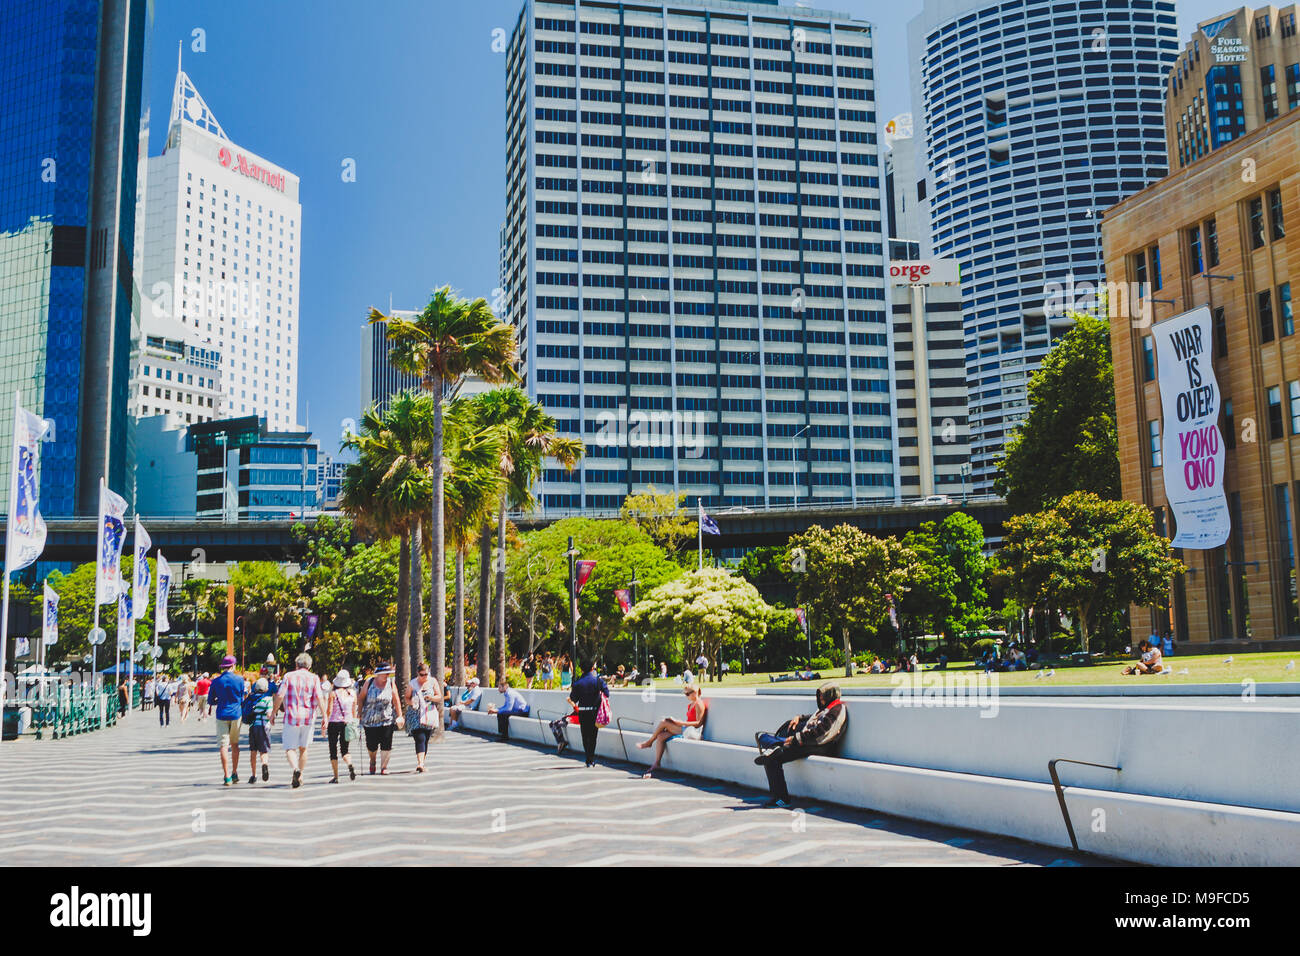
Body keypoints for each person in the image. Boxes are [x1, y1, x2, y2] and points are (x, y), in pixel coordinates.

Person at [754, 682, 849, 809]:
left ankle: (781, 799)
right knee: (770, 752)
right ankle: (775, 746)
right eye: (819, 696)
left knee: (772, 758)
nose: (820, 699)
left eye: (822, 696)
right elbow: (814, 718)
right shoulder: (827, 708)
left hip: (822, 746)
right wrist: (799, 717)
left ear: (831, 695)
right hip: (808, 742)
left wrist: (797, 739)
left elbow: (823, 732)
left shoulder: (837, 709)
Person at [272, 652, 327, 789]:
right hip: (308, 718)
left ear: (297, 664)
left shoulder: (288, 676)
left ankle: (295, 768)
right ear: (309, 665)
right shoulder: (314, 678)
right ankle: (300, 775)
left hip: (291, 717)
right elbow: (320, 698)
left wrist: (274, 712)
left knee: (290, 748)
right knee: (304, 748)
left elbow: (280, 695)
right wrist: (325, 716)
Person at [637, 683, 707, 778]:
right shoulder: (691, 704)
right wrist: (677, 722)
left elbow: (699, 723)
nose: (686, 696)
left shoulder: (699, 704)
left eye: (687, 694)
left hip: (693, 732)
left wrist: (680, 723)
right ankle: (657, 763)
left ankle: (649, 742)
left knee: (664, 722)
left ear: (694, 693)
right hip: (686, 729)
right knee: (661, 736)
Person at [207, 656, 246, 787]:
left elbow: (211, 701)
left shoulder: (216, 681)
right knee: (235, 744)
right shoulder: (240, 680)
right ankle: (235, 772)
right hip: (236, 714)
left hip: (221, 714)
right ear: (233, 666)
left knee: (223, 746)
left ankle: (227, 776)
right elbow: (242, 698)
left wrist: (220, 701)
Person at [358, 663, 403, 775]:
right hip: (370, 720)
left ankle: (384, 767)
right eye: (385, 674)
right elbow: (361, 699)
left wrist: (400, 715)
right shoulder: (369, 683)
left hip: (387, 719)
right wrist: (359, 714)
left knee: (386, 744)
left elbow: (396, 699)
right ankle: (372, 761)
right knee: (371, 745)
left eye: (388, 674)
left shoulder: (391, 683)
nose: (387, 676)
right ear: (378, 674)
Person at [567, 661, 609, 767]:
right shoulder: (598, 681)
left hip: (583, 712)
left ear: (581, 669)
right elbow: (607, 693)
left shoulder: (578, 683)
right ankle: (591, 758)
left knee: (585, 736)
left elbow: (573, 698)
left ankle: (587, 758)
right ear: (592, 668)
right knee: (593, 736)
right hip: (595, 711)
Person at [406, 662, 441, 772]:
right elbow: (406, 698)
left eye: (426, 674)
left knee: (425, 739)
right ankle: (420, 763)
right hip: (415, 715)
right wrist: (412, 702)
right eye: (422, 675)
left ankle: (422, 763)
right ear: (418, 673)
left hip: (428, 714)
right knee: (419, 738)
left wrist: (431, 698)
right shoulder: (413, 683)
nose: (424, 677)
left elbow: (439, 696)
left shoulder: (433, 681)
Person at [324, 669, 357, 783]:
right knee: (345, 750)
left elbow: (329, 711)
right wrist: (354, 723)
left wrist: (325, 722)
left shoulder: (333, 694)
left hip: (334, 723)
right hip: (347, 723)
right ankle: (350, 764)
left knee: (333, 750)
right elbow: (354, 712)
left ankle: (336, 776)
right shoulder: (353, 694)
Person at [245, 677, 275, 784]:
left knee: (253, 751)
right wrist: (272, 719)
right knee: (264, 750)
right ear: (266, 688)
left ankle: (253, 775)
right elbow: (268, 714)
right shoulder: (268, 699)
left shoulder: (251, 698)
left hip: (253, 726)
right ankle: (264, 764)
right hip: (263, 726)